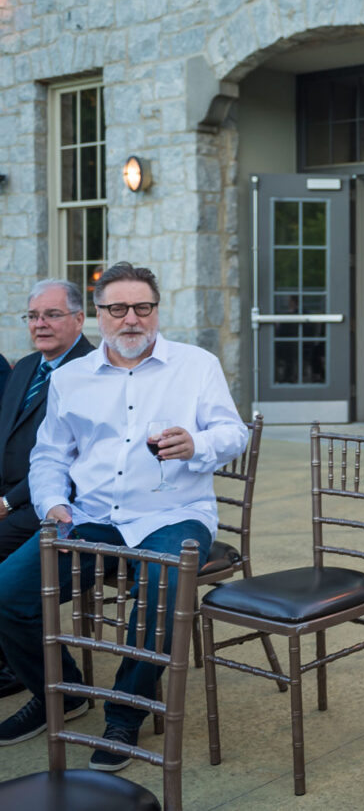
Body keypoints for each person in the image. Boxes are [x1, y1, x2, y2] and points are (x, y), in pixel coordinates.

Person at [0, 262, 248, 772]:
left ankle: (125, 713)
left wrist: (197, 443)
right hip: (89, 515)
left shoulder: (196, 365)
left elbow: (234, 433)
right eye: (118, 308)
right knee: (7, 593)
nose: (131, 319)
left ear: (156, 311)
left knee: (159, 588)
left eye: (143, 307)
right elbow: (49, 456)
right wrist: (53, 506)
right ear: (99, 315)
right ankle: (61, 692)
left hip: (172, 512)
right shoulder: (70, 378)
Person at [0, 279, 95, 697]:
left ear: (78, 319)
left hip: (59, 506)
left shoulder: (93, 372)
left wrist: (7, 501)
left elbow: (69, 462)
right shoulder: (24, 367)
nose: (40, 324)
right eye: (33, 316)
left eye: (52, 315)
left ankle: (30, 675)